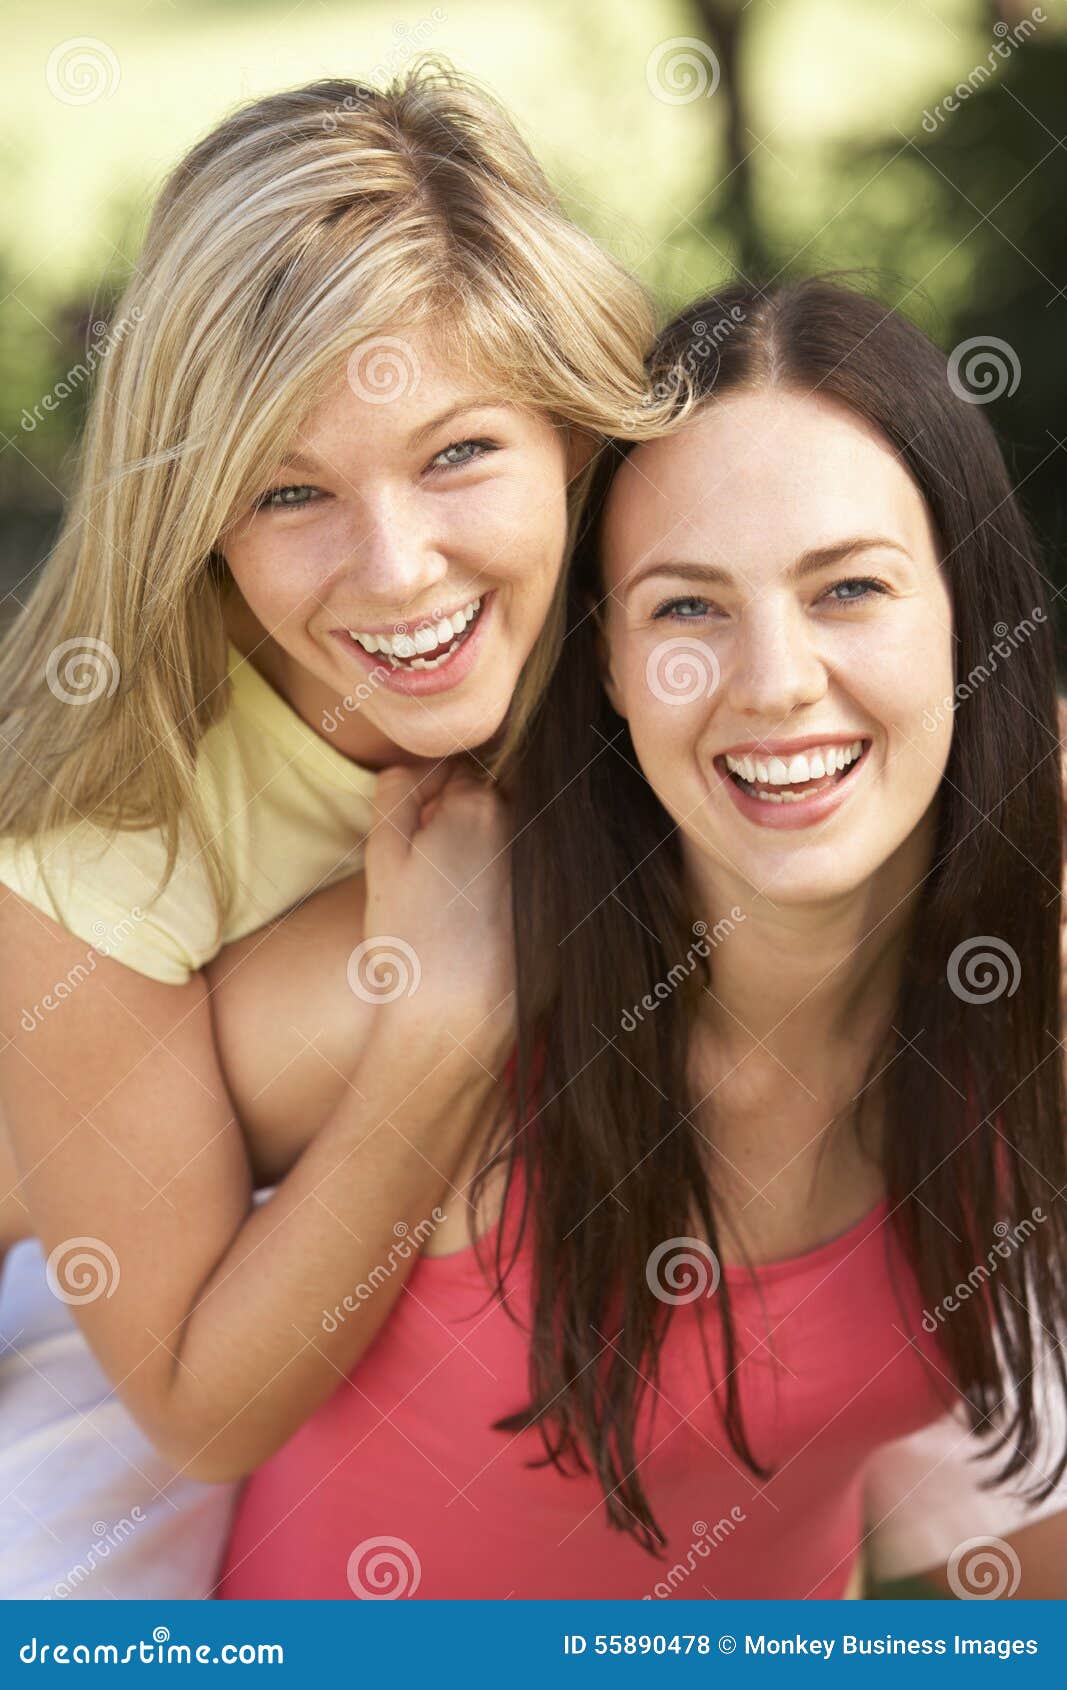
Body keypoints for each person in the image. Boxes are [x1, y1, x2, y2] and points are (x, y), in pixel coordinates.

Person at [213, 279, 1067, 1599]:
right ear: (604, 663)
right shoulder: (424, 967)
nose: (776, 679)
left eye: (848, 588)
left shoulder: (1017, 988)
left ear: (964, 615)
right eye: (685, 609)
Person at [0, 60, 679, 1599]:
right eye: (290, 493)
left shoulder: (652, 582)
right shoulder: (103, 815)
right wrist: (438, 1023)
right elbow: (193, 1400)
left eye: (457, 453)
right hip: (92, 1282)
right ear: (198, 527)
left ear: (571, 433)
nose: (397, 570)